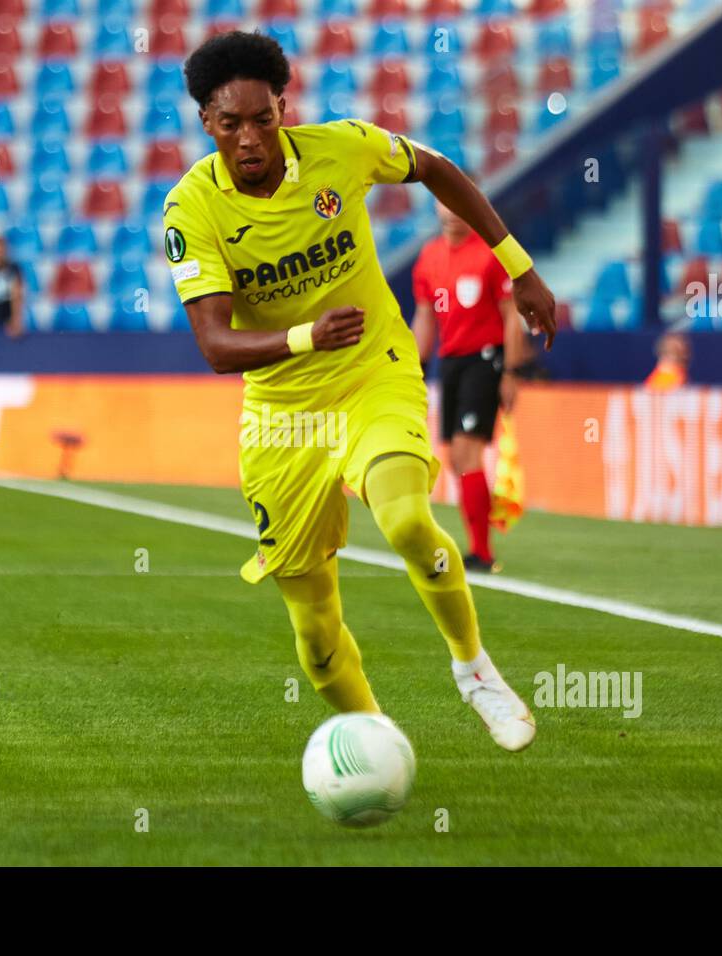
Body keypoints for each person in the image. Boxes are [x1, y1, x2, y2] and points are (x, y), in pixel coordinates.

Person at [162, 31, 557, 753]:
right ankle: (376, 744)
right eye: (230, 124)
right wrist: (307, 336)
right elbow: (216, 345)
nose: (249, 138)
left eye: (262, 118)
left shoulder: (342, 148)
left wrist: (517, 264)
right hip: (282, 418)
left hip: (373, 373)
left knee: (406, 520)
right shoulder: (190, 210)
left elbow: (435, 168)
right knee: (314, 638)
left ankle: (474, 670)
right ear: (206, 124)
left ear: (284, 107)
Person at [411, 201, 527, 572]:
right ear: (435, 204)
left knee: (467, 449)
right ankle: (477, 546)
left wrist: (510, 371)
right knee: (456, 457)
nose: (451, 209)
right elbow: (425, 317)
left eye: (456, 199)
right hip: (452, 361)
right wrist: (414, 368)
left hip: (485, 358)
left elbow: (512, 316)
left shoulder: (491, 255)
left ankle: (482, 551)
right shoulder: (428, 258)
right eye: (444, 200)